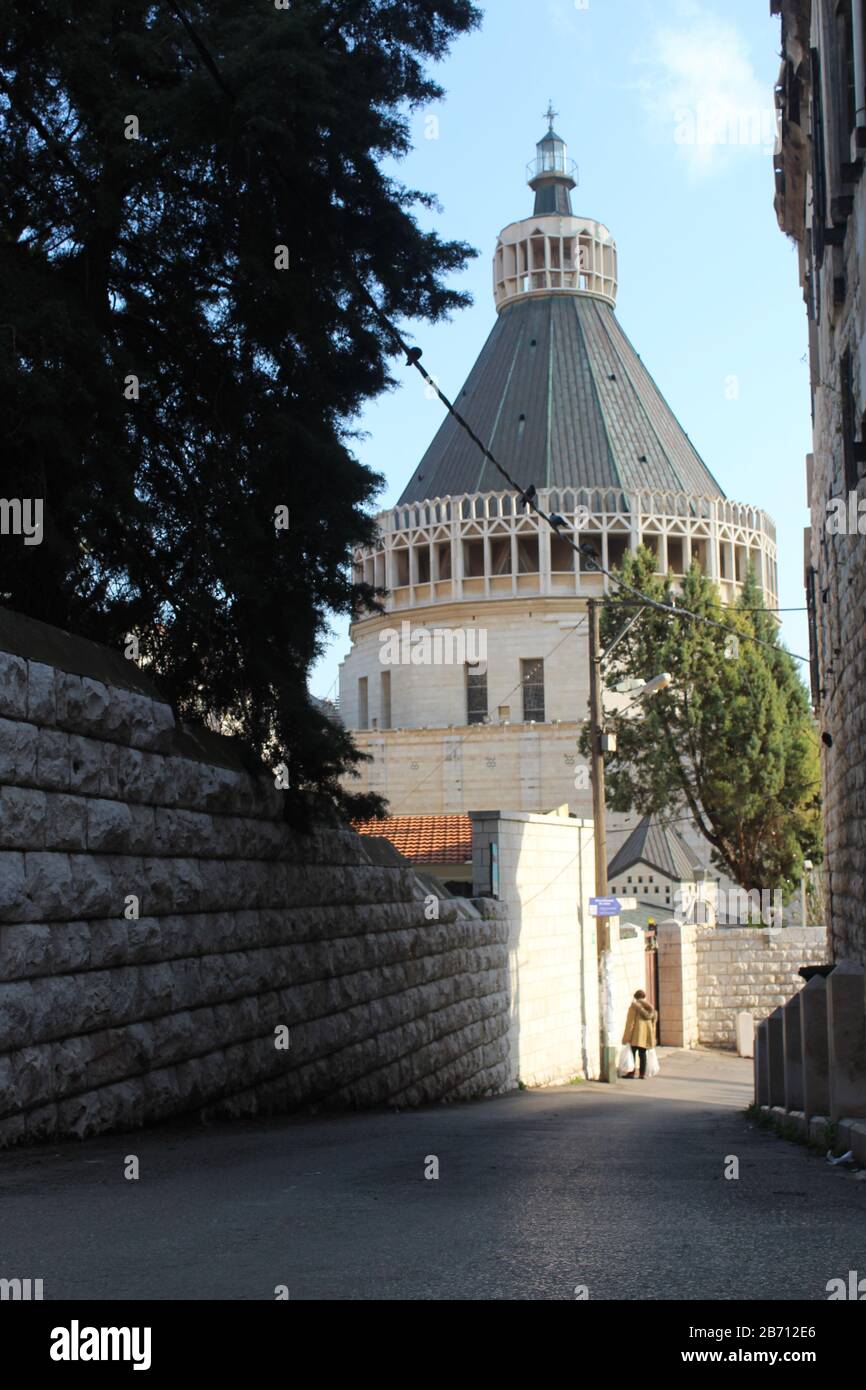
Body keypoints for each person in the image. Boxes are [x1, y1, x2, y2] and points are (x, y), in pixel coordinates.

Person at [622, 989, 657, 1079]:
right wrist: (652, 1036)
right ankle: (642, 1074)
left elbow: (630, 1023)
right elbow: (653, 1023)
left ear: (635, 997)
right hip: (645, 1036)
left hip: (635, 1036)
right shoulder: (650, 1008)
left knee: (632, 1053)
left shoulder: (634, 1007)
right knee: (642, 1054)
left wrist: (627, 1037)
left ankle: (631, 1072)